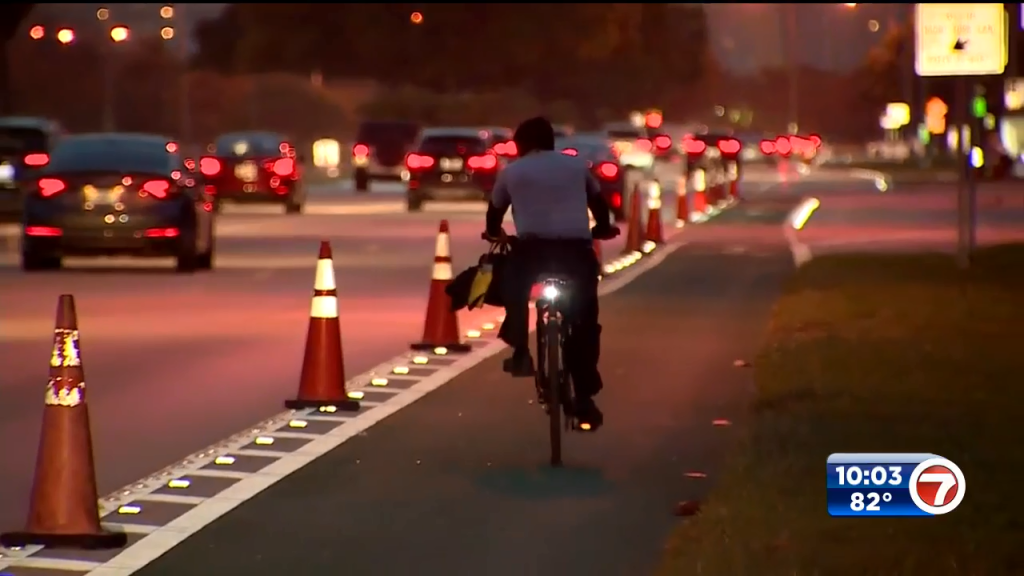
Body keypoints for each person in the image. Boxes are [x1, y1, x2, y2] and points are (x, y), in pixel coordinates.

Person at [484, 116, 619, 431]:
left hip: (531, 252)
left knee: (514, 289)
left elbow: (494, 216)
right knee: (585, 318)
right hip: (575, 252)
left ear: (521, 145)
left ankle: (519, 349)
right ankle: (584, 395)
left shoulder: (511, 172)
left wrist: (494, 234)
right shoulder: (575, 167)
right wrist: (601, 228)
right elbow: (599, 207)